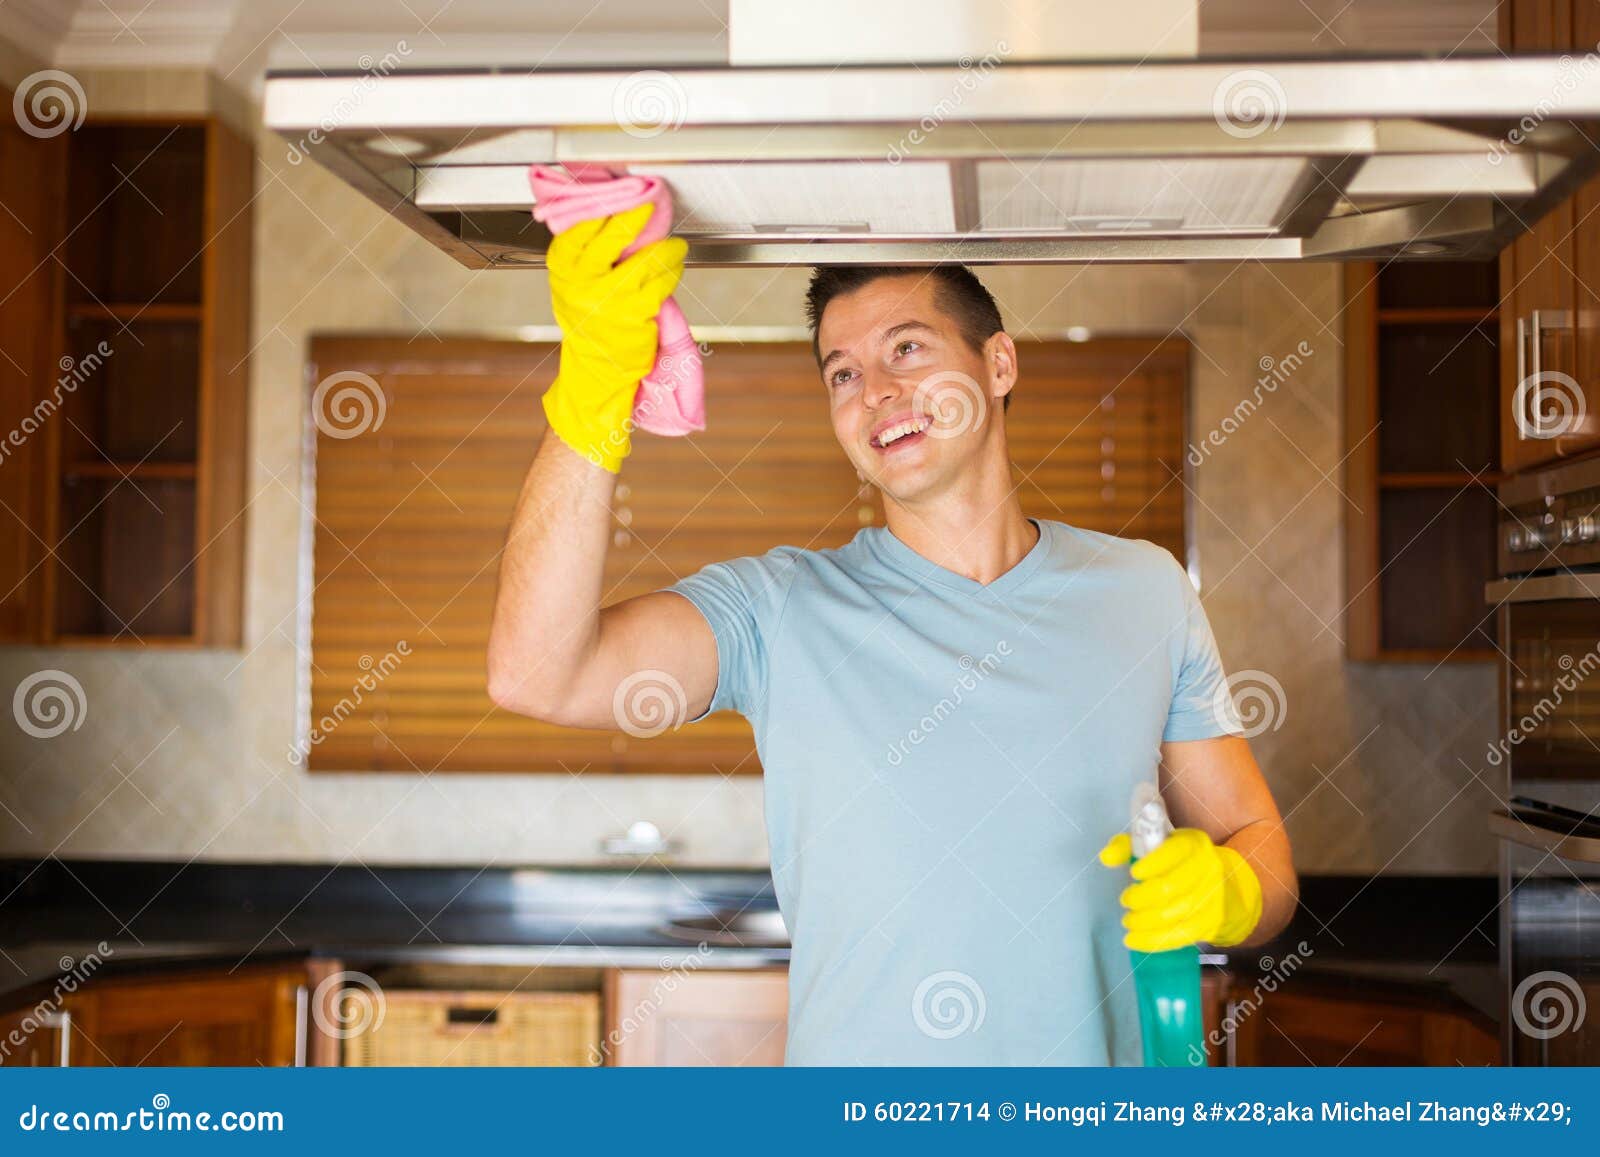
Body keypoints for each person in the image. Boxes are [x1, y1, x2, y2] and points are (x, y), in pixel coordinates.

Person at [487, 203, 1297, 1065]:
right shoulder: (779, 609)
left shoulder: (1144, 591)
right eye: (842, 373)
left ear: (997, 364)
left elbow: (1262, 849)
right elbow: (538, 674)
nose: (873, 390)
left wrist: (1235, 891)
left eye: (906, 349)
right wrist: (594, 387)